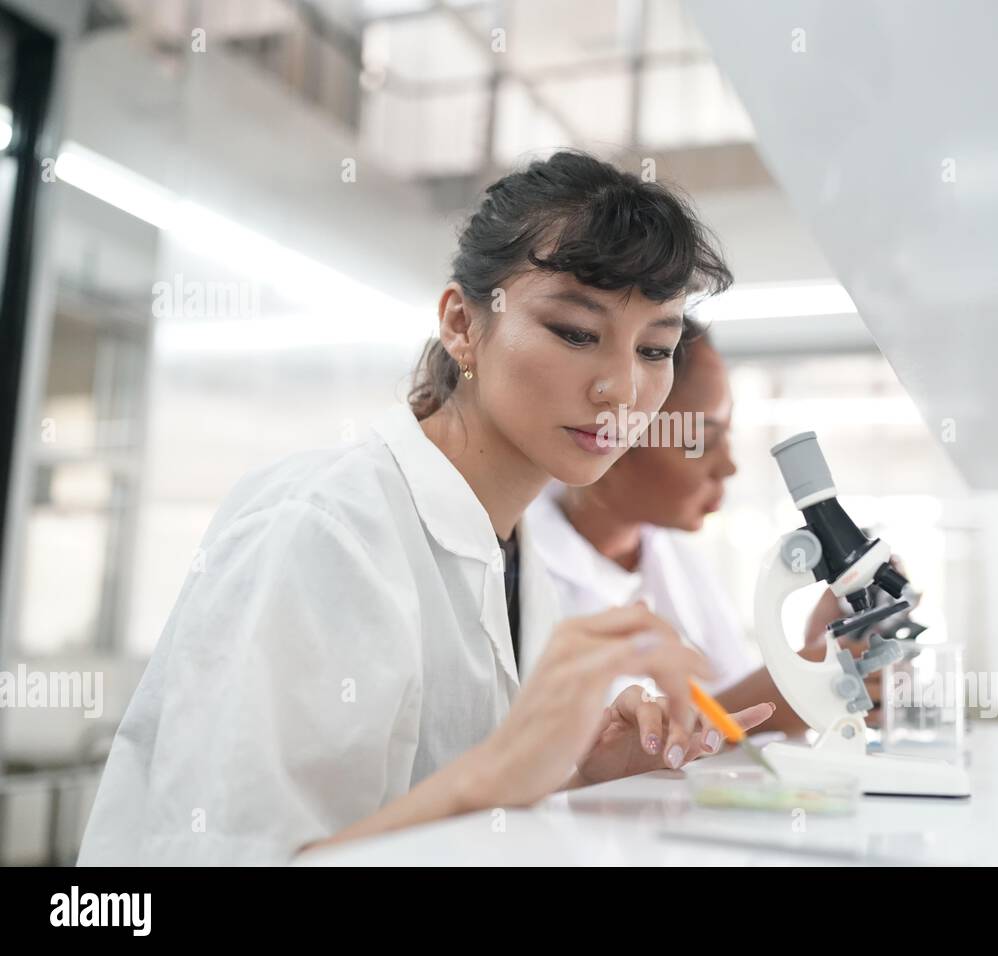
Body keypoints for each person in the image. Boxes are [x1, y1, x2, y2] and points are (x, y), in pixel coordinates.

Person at [76, 151, 773, 866]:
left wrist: (579, 775)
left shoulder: (515, 555)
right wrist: (497, 773)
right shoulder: (322, 530)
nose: (623, 390)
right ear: (463, 325)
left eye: (655, 349)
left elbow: (436, 820)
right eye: (575, 333)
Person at [526, 326, 885, 737]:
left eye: (726, 436)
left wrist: (814, 647)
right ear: (610, 438)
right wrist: (783, 695)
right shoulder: (522, 574)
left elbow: (727, 688)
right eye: (700, 440)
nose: (729, 467)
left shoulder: (673, 555)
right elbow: (579, 761)